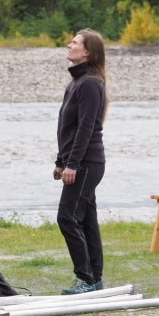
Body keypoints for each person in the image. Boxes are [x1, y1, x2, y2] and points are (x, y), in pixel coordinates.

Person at [54, 28, 107, 294]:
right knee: (86, 219)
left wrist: (73, 164)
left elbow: (86, 129)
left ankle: (85, 278)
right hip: (79, 161)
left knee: (67, 217)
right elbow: (67, 127)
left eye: (74, 43)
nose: (69, 45)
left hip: (87, 162)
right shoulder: (75, 83)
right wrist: (60, 161)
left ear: (87, 52)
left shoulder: (90, 84)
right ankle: (94, 279)